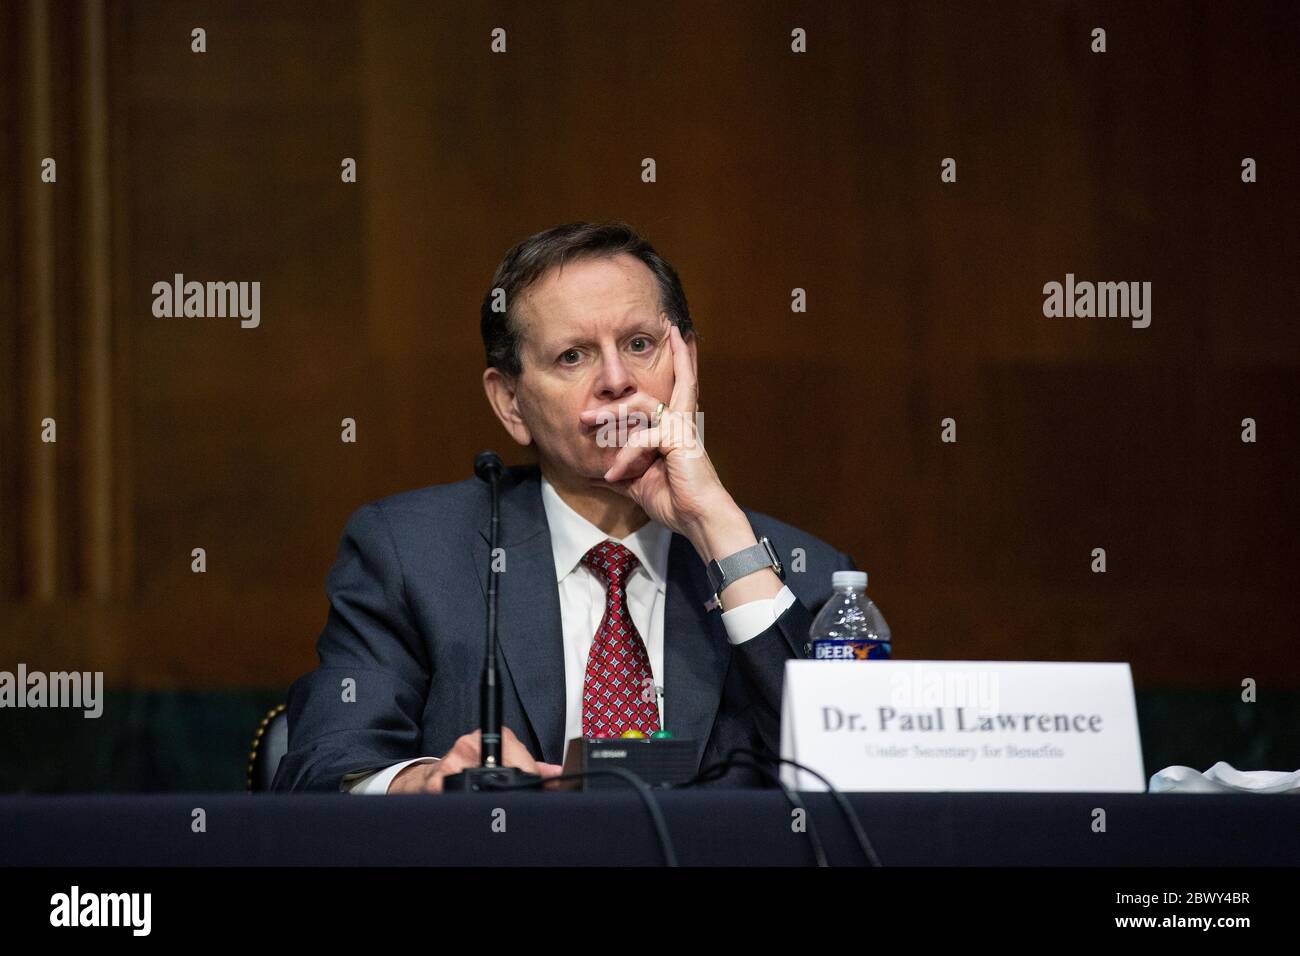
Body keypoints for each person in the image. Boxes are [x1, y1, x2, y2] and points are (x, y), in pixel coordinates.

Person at [272, 221, 856, 793]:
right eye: (573, 356)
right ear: (511, 405)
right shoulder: (412, 554)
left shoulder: (807, 574)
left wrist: (716, 527)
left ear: (687, 363)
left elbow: (858, 781)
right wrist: (426, 784)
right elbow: (321, 771)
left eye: (639, 344)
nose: (616, 379)